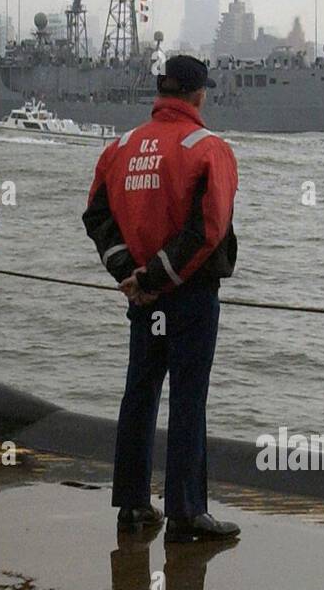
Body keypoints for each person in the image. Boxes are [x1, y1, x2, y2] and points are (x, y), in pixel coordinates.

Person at [83, 54, 240, 543]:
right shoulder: (208, 147)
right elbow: (208, 229)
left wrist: (130, 274)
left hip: (141, 298)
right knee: (188, 399)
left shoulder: (121, 146)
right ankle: (187, 511)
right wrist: (157, 276)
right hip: (188, 295)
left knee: (140, 392)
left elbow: (96, 216)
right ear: (198, 94)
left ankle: (132, 505)